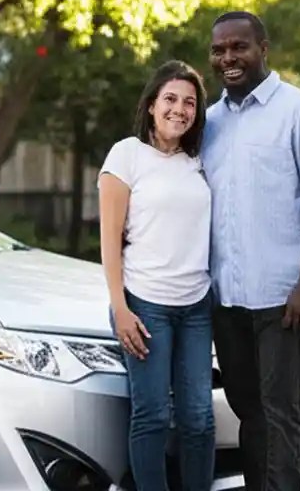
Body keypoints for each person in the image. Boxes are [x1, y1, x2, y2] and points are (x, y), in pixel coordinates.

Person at [200, 11, 300, 491]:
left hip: (285, 298)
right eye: (219, 50)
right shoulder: (211, 123)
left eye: (238, 47)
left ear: (264, 48)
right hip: (229, 298)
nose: (228, 59)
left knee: (283, 411)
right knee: (250, 411)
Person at [99, 59, 216, 491]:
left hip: (197, 305)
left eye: (189, 102)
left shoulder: (198, 160)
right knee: (151, 416)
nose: (179, 110)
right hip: (145, 304)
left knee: (199, 420)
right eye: (170, 99)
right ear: (151, 104)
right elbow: (110, 240)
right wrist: (120, 308)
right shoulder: (126, 155)